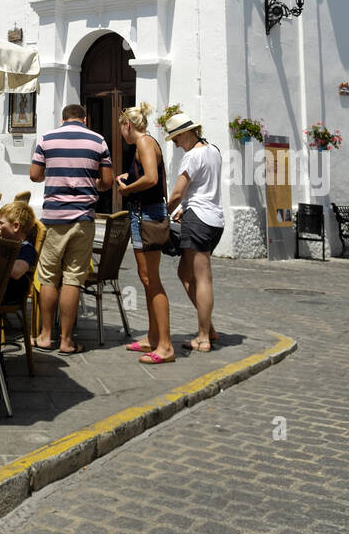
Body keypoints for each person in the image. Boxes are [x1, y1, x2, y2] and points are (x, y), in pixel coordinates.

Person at [30, 104, 113, 355]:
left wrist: (54, 173)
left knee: (48, 276)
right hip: (83, 219)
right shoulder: (98, 140)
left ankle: (45, 336)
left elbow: (35, 175)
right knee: (73, 278)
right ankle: (66, 341)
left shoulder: (47, 138)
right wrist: (91, 183)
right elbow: (107, 182)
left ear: (63, 118)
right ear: (84, 118)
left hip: (54, 217)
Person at [117, 103, 175, 364]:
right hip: (145, 212)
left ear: (127, 125)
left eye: (121, 129)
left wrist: (128, 190)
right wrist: (130, 177)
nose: (121, 134)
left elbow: (151, 178)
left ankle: (165, 346)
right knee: (145, 277)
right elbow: (150, 175)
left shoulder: (143, 142)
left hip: (147, 214)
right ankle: (153, 337)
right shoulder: (147, 144)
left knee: (152, 280)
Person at [165, 112, 224, 352]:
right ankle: (207, 327)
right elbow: (203, 188)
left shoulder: (192, 156)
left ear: (188, 133)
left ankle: (203, 337)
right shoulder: (214, 151)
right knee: (185, 273)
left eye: (177, 138)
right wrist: (183, 209)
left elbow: (178, 192)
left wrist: (165, 212)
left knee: (202, 278)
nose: (176, 144)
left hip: (198, 220)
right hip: (215, 219)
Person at [0, 200, 38, 304]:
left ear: (16, 226)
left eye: (1, 223)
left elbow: (16, 272)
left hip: (10, 293)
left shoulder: (26, 249)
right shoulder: (6, 245)